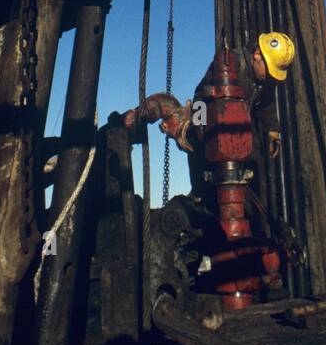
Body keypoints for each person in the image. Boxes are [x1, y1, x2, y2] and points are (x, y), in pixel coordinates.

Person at [121, 32, 295, 212]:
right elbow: (200, 95)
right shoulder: (231, 63)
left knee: (254, 158)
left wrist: (272, 129)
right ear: (257, 54)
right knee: (203, 151)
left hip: (237, 129)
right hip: (209, 118)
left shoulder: (263, 79)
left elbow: (265, 102)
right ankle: (200, 197)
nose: (271, 77)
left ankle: (254, 212)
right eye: (269, 70)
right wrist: (200, 125)